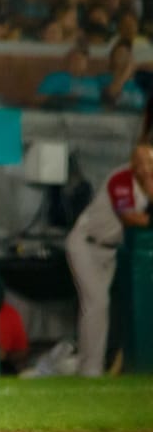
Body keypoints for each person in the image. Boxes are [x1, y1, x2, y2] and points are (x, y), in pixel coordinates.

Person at [66, 144, 151, 377]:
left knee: (97, 308)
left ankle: (87, 365)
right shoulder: (121, 177)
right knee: (97, 303)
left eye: (150, 162)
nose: (144, 167)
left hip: (110, 250)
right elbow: (130, 217)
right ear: (132, 162)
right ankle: (90, 370)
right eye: (140, 161)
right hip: (85, 243)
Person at [36, 43, 102, 112]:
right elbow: (39, 99)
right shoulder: (54, 78)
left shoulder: (93, 82)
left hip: (90, 118)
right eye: (74, 59)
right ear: (67, 61)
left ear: (87, 63)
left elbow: (97, 105)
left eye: (81, 59)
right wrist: (62, 99)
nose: (77, 62)